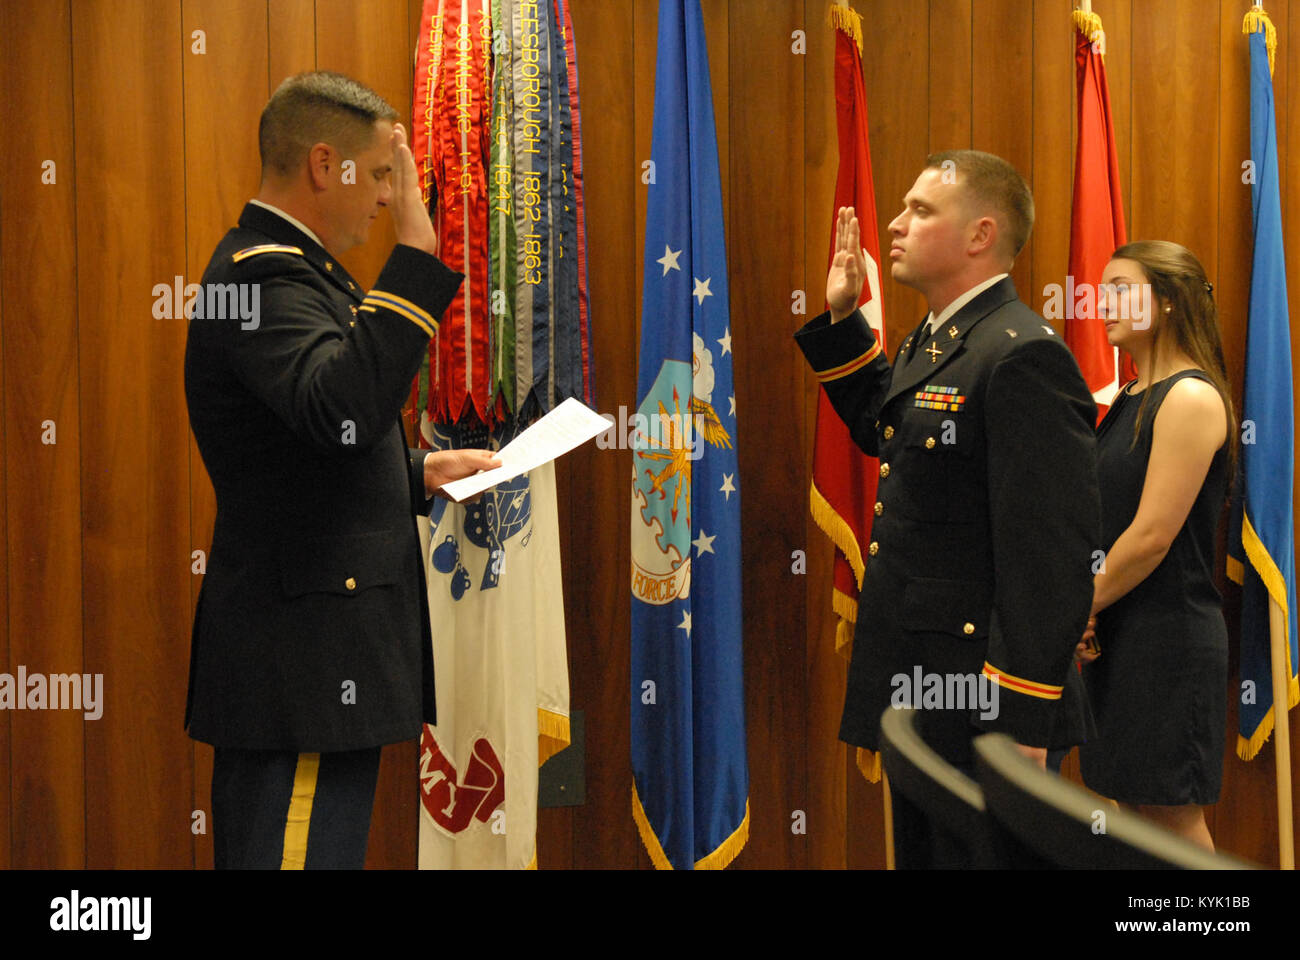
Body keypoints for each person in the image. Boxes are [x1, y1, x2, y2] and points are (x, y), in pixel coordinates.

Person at [184, 71, 498, 868]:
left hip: (318, 667)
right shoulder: (258, 277)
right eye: (383, 173)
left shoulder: (294, 271)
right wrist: (420, 260)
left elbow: (315, 447)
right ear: (326, 165)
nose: (391, 197)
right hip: (305, 672)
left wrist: (417, 473)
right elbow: (340, 407)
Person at [794, 149, 1100, 790]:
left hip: (981, 697)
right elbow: (887, 428)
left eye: (920, 210)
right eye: (902, 208)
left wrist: (1022, 718)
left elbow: (1048, 557)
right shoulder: (936, 339)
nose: (896, 225)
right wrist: (846, 321)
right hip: (923, 673)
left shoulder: (1022, 357)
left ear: (979, 235)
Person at [1075, 241, 1232, 852]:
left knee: (1171, 821)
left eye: (1120, 288)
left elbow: (1150, 537)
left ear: (1166, 302)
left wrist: (1080, 606)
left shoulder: (1190, 397)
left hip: (1169, 638)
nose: (1101, 301)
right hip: (1124, 630)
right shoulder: (1130, 398)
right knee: (1129, 813)